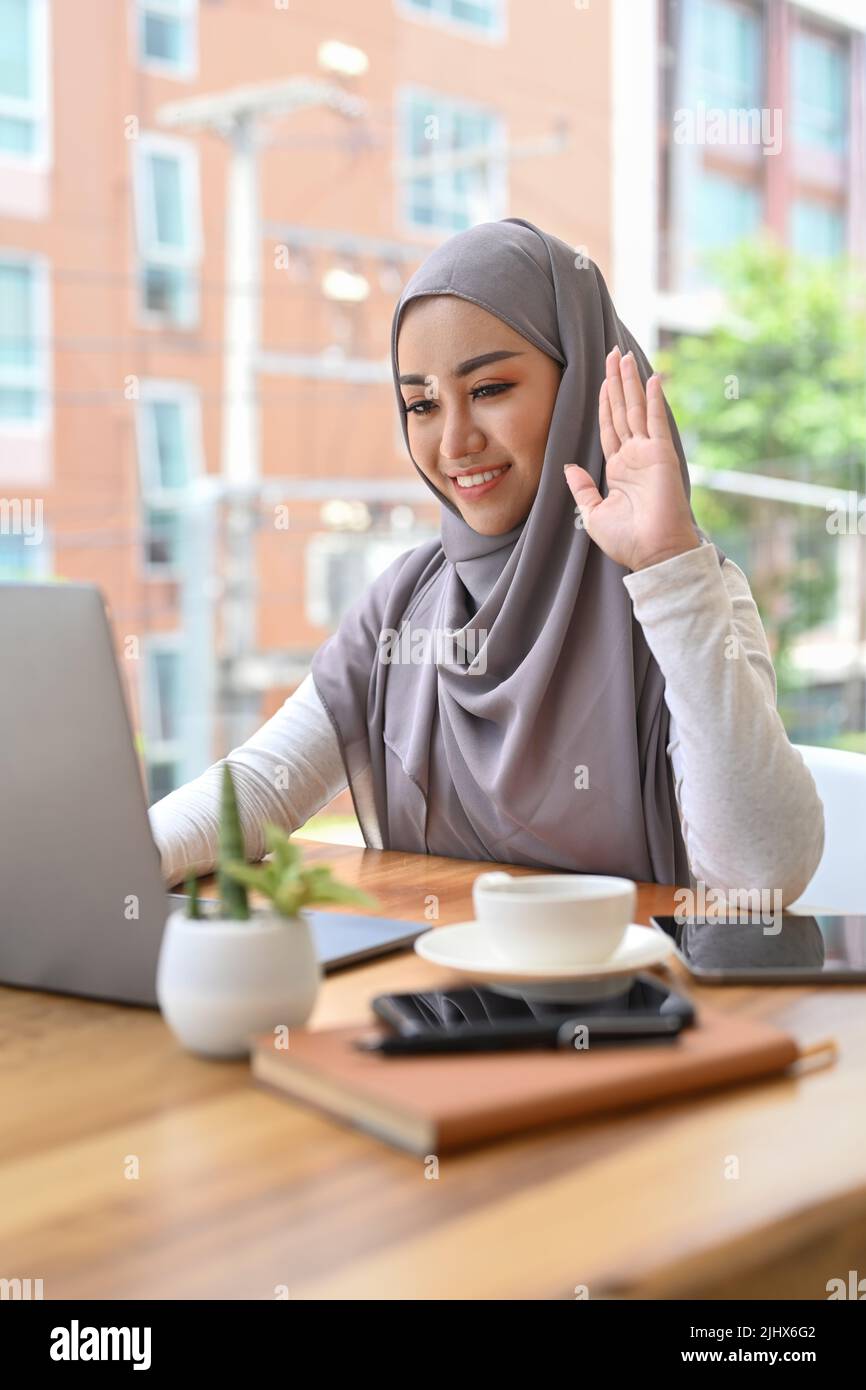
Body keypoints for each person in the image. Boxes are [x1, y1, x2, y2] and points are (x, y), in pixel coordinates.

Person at [148, 217, 824, 903]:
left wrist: (668, 570)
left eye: (490, 389)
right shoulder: (409, 601)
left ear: (583, 382)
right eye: (421, 404)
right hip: (434, 997)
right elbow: (264, 785)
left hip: (639, 1001)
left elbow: (762, 876)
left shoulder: (687, 594)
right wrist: (105, 861)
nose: (454, 442)